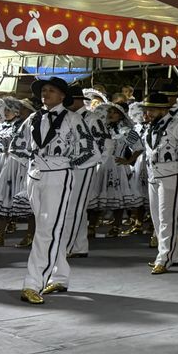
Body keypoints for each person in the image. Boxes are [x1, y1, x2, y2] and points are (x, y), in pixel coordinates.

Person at [17, 79, 96, 304]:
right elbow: (16, 146)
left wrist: (66, 164)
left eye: (51, 90)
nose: (46, 93)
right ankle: (60, 276)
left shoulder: (73, 119)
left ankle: (33, 283)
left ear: (63, 96)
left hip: (59, 176)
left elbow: (91, 151)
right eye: (43, 90)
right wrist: (34, 162)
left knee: (46, 229)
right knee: (47, 227)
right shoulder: (33, 118)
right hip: (35, 177)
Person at [141, 93, 178, 274]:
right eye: (146, 109)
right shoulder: (150, 127)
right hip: (154, 174)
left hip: (174, 173)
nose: (147, 113)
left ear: (162, 110)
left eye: (151, 109)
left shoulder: (177, 125)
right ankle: (172, 255)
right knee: (157, 217)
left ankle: (164, 258)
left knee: (167, 217)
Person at [0, 97, 32, 248]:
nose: (7, 111)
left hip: (20, 162)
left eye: (10, 108)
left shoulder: (25, 124)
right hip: (3, 161)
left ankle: (30, 234)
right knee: (2, 196)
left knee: (24, 198)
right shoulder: (0, 127)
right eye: (6, 109)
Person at [87, 102, 143, 238]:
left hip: (118, 167)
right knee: (97, 197)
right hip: (101, 166)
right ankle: (91, 227)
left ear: (121, 116)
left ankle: (116, 226)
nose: (111, 114)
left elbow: (139, 147)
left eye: (115, 112)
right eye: (109, 112)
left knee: (118, 197)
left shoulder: (127, 131)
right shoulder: (101, 130)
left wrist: (128, 160)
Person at [62, 90, 107, 258]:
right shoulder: (68, 117)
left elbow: (105, 142)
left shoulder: (91, 118)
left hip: (85, 166)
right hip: (70, 166)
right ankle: (79, 246)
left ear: (77, 100)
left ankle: (66, 246)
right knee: (75, 207)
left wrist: (95, 163)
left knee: (73, 207)